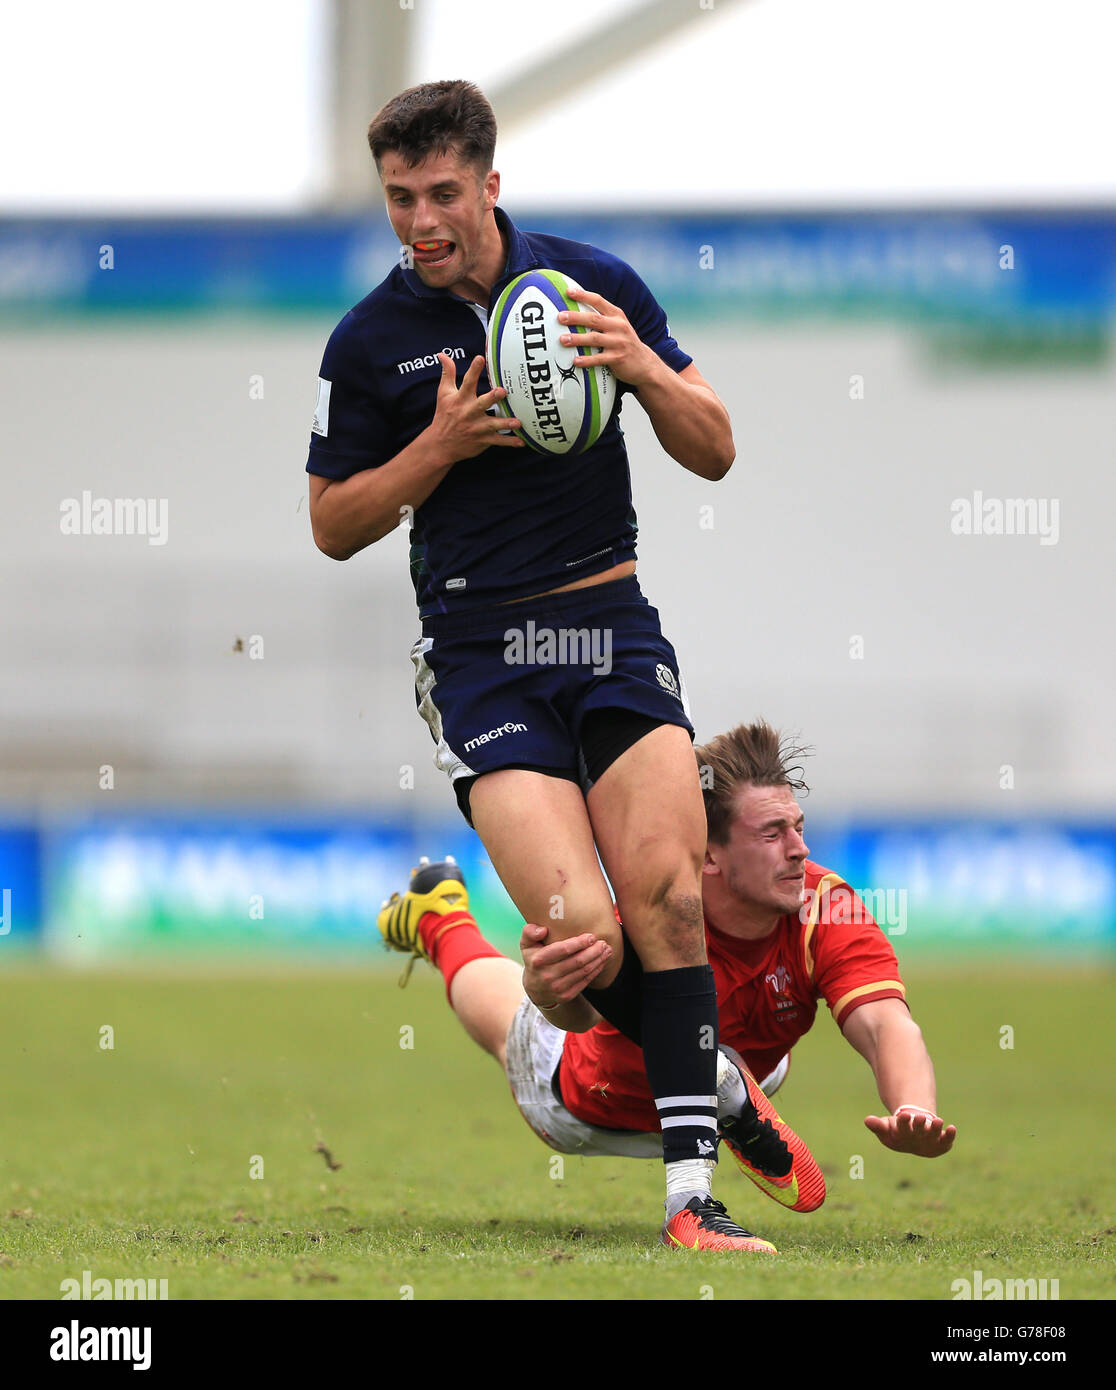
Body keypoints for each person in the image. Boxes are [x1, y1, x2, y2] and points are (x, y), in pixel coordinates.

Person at [307, 79, 751, 1247]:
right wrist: (436, 448)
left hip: (608, 627)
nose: (421, 220)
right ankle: (726, 1090)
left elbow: (716, 449)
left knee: (668, 896)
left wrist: (645, 371)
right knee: (586, 933)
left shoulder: (591, 286)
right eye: (400, 197)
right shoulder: (370, 342)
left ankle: (691, 1202)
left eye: (443, 192)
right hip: (481, 659)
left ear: (491, 184)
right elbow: (334, 523)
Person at [378, 720, 956, 1250]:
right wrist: (550, 990)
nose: (800, 849)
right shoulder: (647, 906)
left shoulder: (826, 906)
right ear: (708, 856)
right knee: (515, 1026)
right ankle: (440, 920)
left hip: (753, 1072)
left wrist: (913, 1106)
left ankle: (726, 1086)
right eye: (773, 833)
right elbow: (579, 1018)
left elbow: (884, 1023)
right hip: (585, 1102)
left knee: (731, 1060)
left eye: (799, 827)